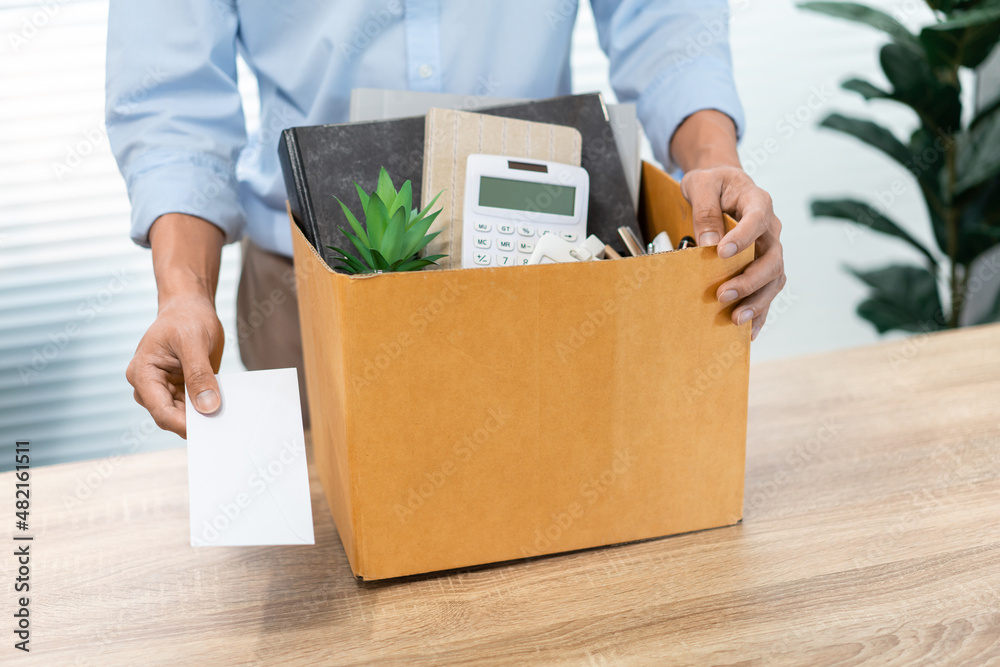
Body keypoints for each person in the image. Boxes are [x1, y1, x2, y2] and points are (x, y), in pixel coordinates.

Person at [107, 0, 785, 438]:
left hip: (550, 274)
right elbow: (174, 101)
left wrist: (712, 160)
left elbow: (666, 19)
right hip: (308, 298)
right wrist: (184, 290)